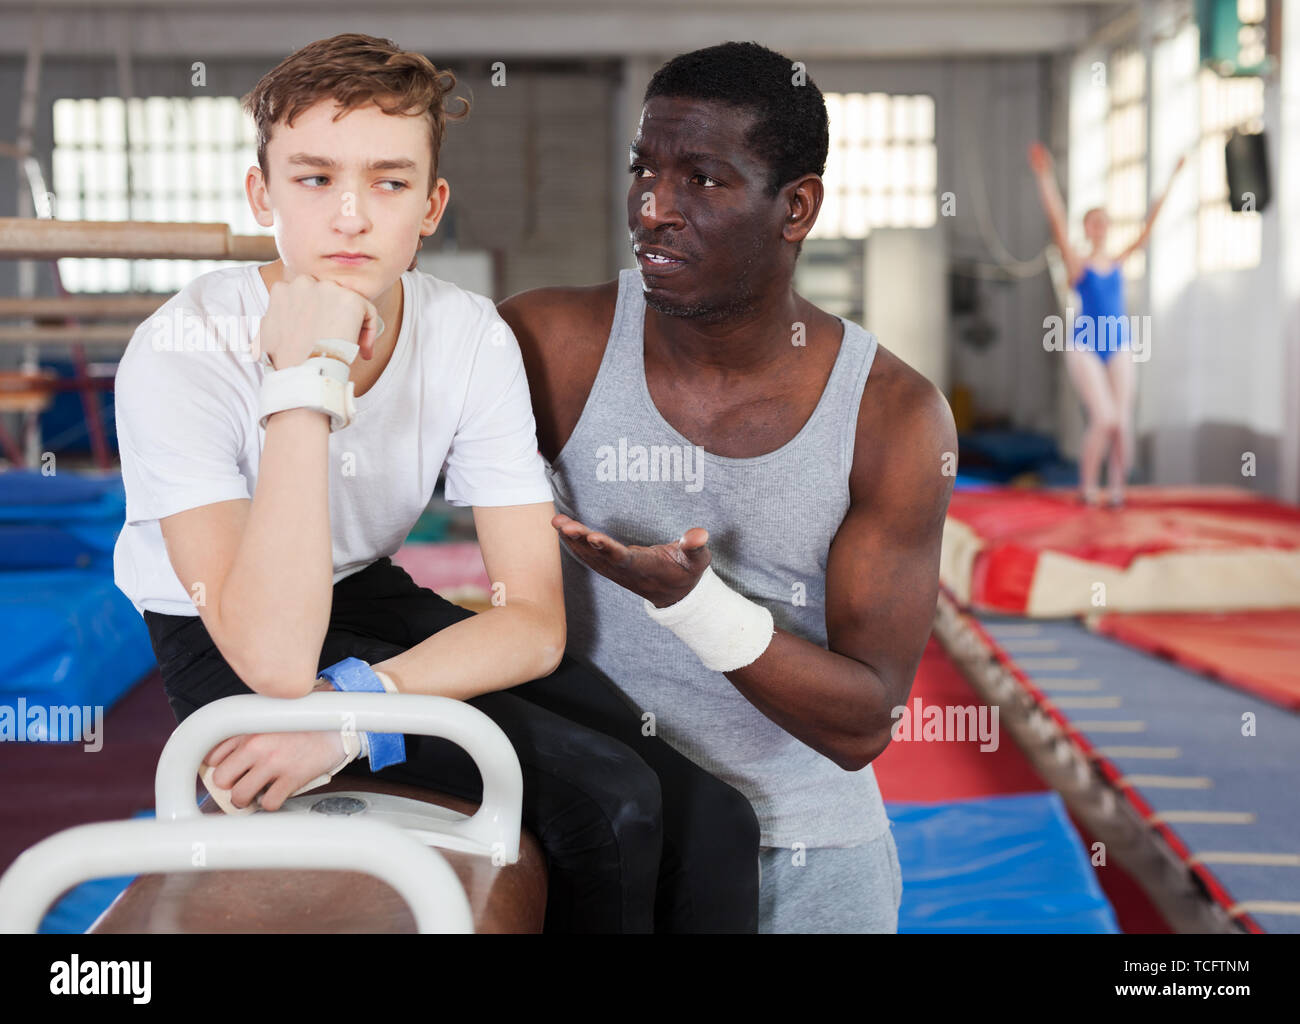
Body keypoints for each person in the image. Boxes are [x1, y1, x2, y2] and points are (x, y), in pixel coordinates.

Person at [112, 32, 759, 933]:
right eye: (313, 178)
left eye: (388, 181)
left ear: (430, 206)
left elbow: (533, 621)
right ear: (262, 194)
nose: (350, 216)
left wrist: (354, 713)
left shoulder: (468, 334)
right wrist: (305, 374)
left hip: (369, 604)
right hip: (226, 631)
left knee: (717, 817)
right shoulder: (184, 348)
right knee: (607, 804)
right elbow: (274, 659)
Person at [499, 41, 956, 933]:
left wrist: (695, 606)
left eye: (701, 179)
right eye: (644, 169)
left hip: (808, 856)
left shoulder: (892, 417)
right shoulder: (555, 342)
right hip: (596, 831)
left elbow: (864, 722)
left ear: (797, 207)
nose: (653, 209)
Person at [1028, 141, 1185, 506]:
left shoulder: (1117, 260)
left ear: (1108, 228)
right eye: (1092, 222)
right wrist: (1044, 176)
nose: (1099, 228)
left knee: (1122, 421)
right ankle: (1087, 487)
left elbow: (1150, 226)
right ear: (1087, 228)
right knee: (1105, 417)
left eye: (1104, 222)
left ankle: (1116, 488)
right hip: (1085, 343)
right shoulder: (1078, 263)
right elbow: (1055, 220)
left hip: (1118, 342)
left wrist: (1174, 177)